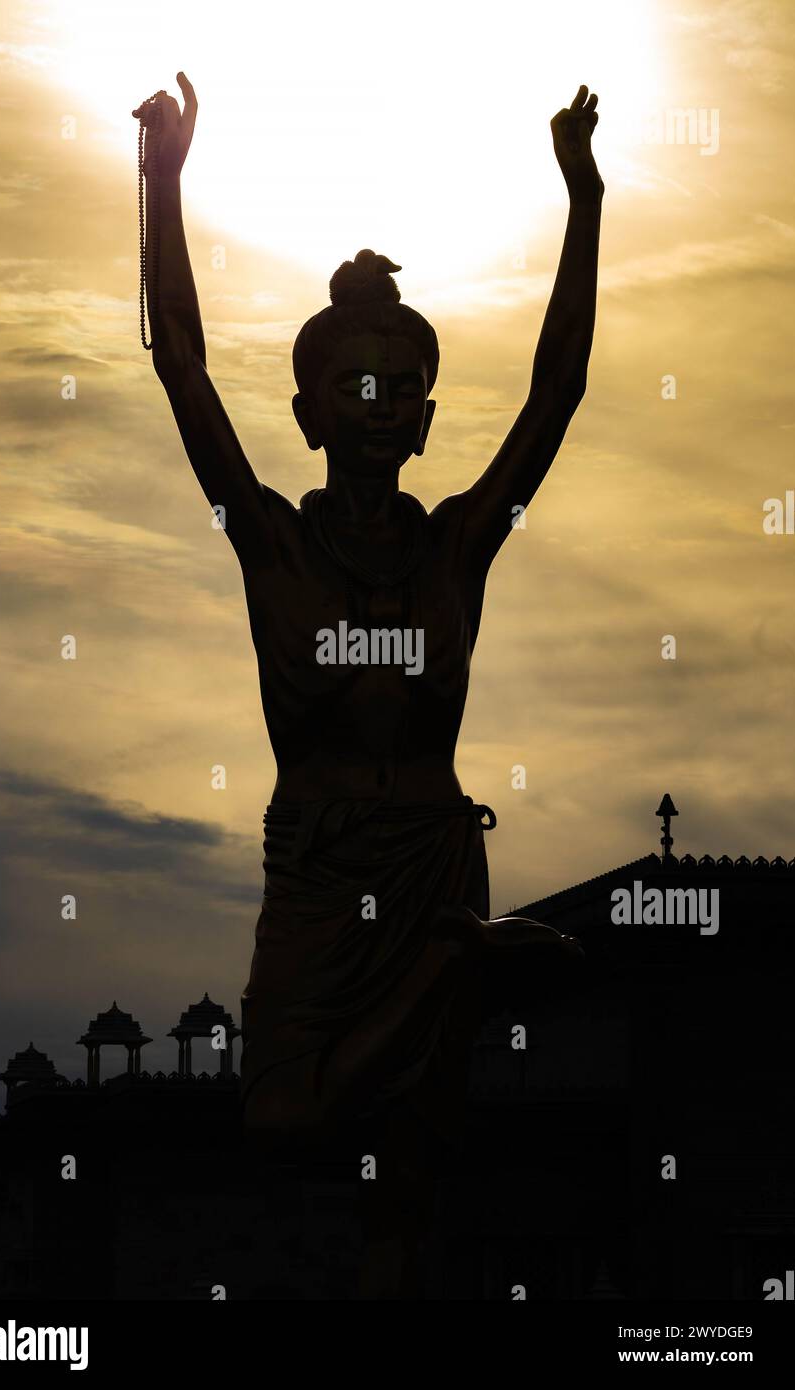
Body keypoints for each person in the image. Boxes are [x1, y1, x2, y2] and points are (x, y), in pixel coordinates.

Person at [138, 74, 601, 1295]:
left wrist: (583, 197)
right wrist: (161, 180)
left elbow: (557, 395)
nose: (380, 401)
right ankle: (460, 965)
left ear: (425, 409)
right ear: (305, 410)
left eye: (401, 384)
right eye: (354, 382)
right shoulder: (272, 542)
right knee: (280, 1115)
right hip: (317, 863)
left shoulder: (457, 545)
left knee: (411, 1174)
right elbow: (180, 369)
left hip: (431, 853)